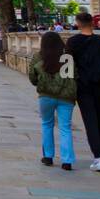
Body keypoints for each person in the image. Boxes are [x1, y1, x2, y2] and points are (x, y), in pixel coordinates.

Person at [65, 12, 100, 171]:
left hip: (83, 86)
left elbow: (66, 68)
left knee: (90, 121)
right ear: (92, 23)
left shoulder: (72, 42)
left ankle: (97, 158)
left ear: (78, 23)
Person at [29, 31, 77, 170]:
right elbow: (76, 74)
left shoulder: (39, 56)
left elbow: (32, 76)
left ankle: (48, 156)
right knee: (65, 127)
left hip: (46, 95)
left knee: (47, 124)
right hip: (66, 96)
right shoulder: (68, 57)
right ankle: (67, 160)